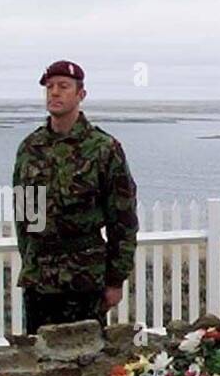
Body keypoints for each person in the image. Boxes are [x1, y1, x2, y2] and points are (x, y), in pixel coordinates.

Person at [12, 60, 139, 334]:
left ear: (81, 95)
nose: (54, 93)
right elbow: (25, 217)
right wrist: (31, 262)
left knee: (86, 362)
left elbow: (123, 219)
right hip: (40, 279)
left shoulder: (103, 149)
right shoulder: (31, 148)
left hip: (85, 278)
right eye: (49, 87)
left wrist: (115, 280)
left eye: (63, 87)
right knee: (39, 362)